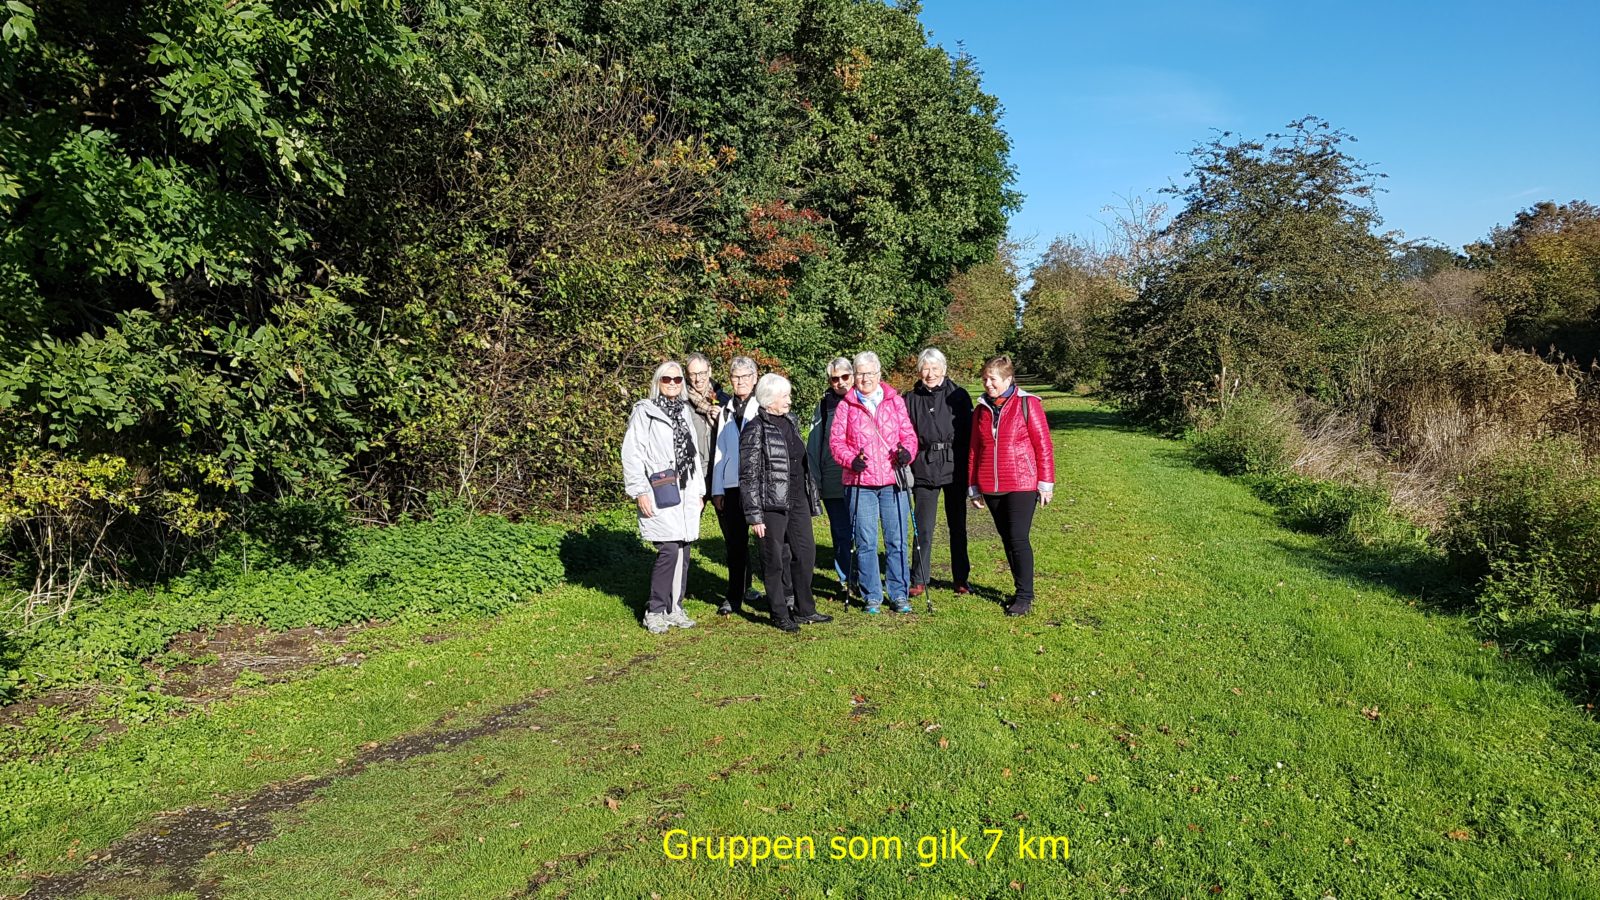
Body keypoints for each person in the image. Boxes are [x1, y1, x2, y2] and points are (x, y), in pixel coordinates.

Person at [741, 373, 832, 633]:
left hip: (798, 498)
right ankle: (779, 612)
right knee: (773, 559)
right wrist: (754, 515)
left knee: (805, 553)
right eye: (785, 396)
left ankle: (805, 609)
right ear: (769, 400)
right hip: (771, 504)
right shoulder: (755, 429)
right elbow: (748, 475)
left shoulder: (791, 422)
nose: (789, 400)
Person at [620, 360, 706, 633]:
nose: (672, 384)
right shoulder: (645, 412)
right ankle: (655, 609)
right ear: (658, 382)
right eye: (666, 379)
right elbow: (632, 453)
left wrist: (700, 491)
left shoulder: (684, 411)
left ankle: (675, 607)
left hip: (686, 488)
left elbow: (693, 454)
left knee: (683, 547)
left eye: (677, 379)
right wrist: (639, 491)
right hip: (659, 488)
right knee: (668, 549)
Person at [829, 351, 918, 615]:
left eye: (869, 372)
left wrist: (907, 454)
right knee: (865, 541)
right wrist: (849, 460)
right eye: (860, 373)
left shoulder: (895, 401)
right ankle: (871, 596)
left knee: (897, 540)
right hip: (860, 483)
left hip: (893, 482)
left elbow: (909, 436)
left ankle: (899, 593)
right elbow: (836, 444)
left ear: (879, 374)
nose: (864, 378)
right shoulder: (846, 405)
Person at [968, 355, 1055, 617]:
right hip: (990, 484)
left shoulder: (1028, 404)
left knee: (1018, 538)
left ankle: (1024, 595)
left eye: (992, 379)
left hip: (1022, 481)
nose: (988, 384)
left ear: (1007, 379)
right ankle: (1020, 589)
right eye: (984, 379)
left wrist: (1046, 483)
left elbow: (1043, 445)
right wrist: (972, 486)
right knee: (1007, 539)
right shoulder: (981, 409)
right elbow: (974, 448)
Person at [905, 348, 973, 598]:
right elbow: (906, 434)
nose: (930, 373)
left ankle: (961, 578)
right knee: (923, 527)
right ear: (919, 370)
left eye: (935, 368)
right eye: (925, 368)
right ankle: (919, 577)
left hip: (954, 465)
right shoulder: (910, 398)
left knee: (958, 525)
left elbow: (969, 434)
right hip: (924, 465)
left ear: (944, 370)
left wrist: (969, 470)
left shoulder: (960, 395)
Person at [711, 356, 761, 615]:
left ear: (754, 378)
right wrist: (717, 489)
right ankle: (734, 596)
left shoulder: (763, 405)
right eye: (735, 377)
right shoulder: (726, 410)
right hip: (731, 486)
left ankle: (781, 596)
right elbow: (720, 452)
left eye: (744, 377)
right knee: (735, 544)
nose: (740, 382)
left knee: (768, 543)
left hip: (758, 485)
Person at [805, 356, 856, 601]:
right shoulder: (824, 406)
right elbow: (813, 445)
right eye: (835, 379)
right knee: (841, 533)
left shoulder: (863, 400)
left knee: (863, 532)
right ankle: (847, 579)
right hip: (833, 477)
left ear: (854, 376)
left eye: (845, 377)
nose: (840, 383)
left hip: (862, 477)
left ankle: (865, 577)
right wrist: (815, 480)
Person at [684, 352, 726, 498]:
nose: (698, 379)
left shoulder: (724, 400)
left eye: (702, 373)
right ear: (687, 375)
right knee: (690, 520)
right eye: (693, 374)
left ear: (709, 370)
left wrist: (722, 419)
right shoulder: (681, 403)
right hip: (693, 475)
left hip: (720, 472)